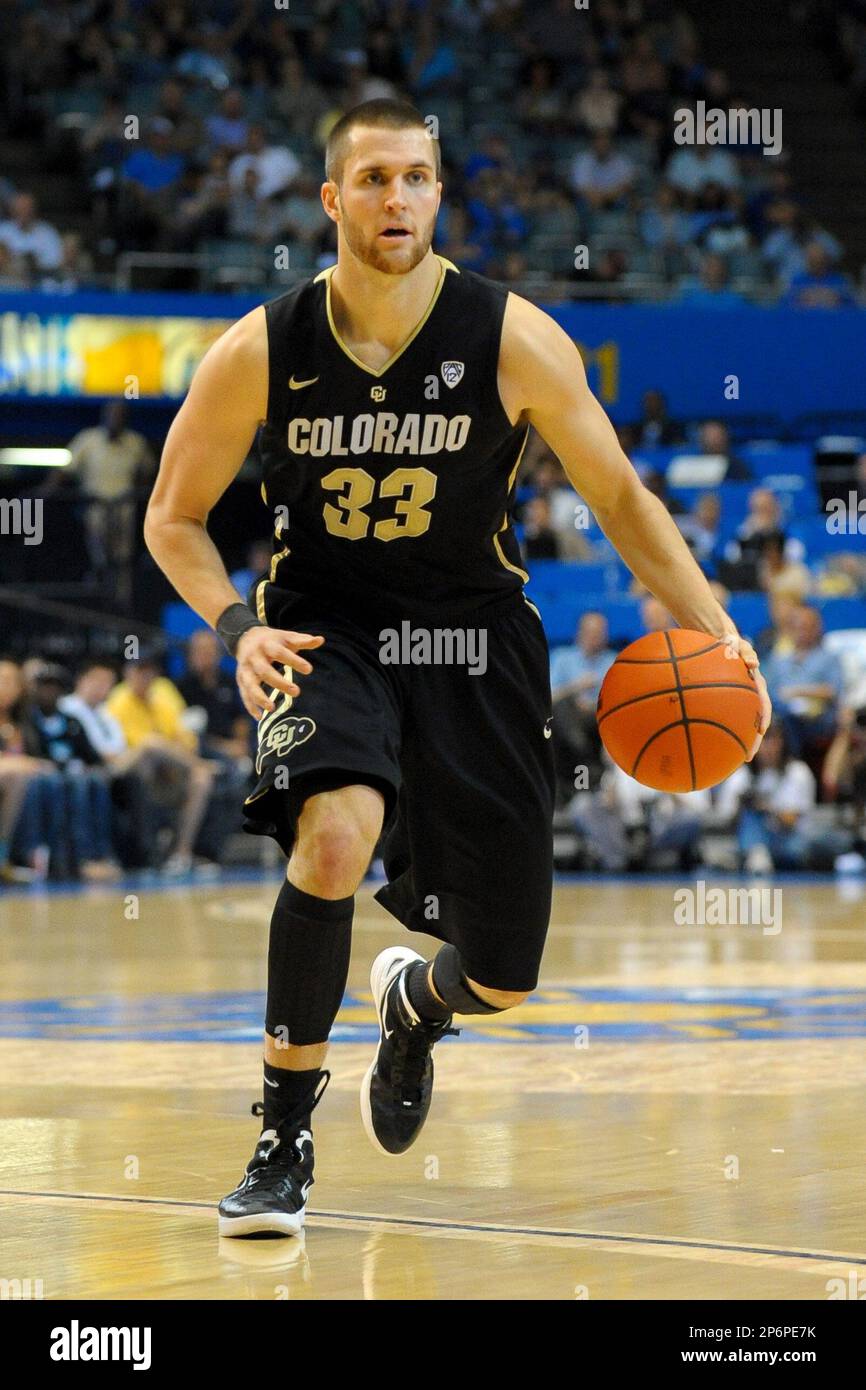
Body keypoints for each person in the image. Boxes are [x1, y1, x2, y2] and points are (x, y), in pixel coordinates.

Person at [143, 99, 770, 1239]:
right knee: (332, 837)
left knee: (504, 974)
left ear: (441, 193)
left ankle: (416, 1002)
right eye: (373, 179)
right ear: (331, 200)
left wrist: (716, 626)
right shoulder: (262, 348)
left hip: (476, 642)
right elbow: (171, 518)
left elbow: (619, 496)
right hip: (325, 633)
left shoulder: (512, 336)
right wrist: (237, 626)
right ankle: (282, 1137)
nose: (396, 199)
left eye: (416, 178)